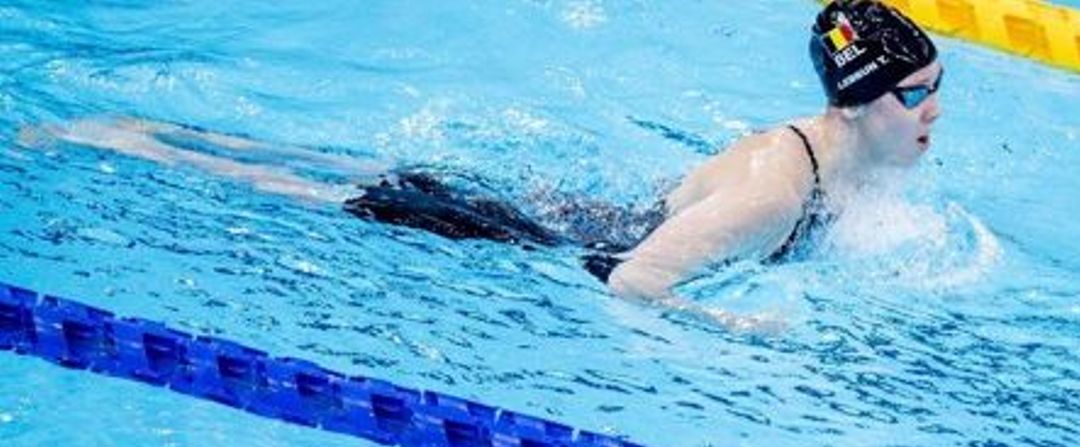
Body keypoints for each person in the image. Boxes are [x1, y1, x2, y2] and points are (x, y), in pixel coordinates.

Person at [24, 0, 941, 332]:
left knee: (365, 173)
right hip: (533, 237)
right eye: (916, 94)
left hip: (576, 211)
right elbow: (630, 285)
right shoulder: (777, 191)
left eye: (941, 89)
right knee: (325, 192)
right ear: (858, 103)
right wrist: (733, 331)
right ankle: (130, 144)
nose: (934, 111)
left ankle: (145, 129)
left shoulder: (830, 151)